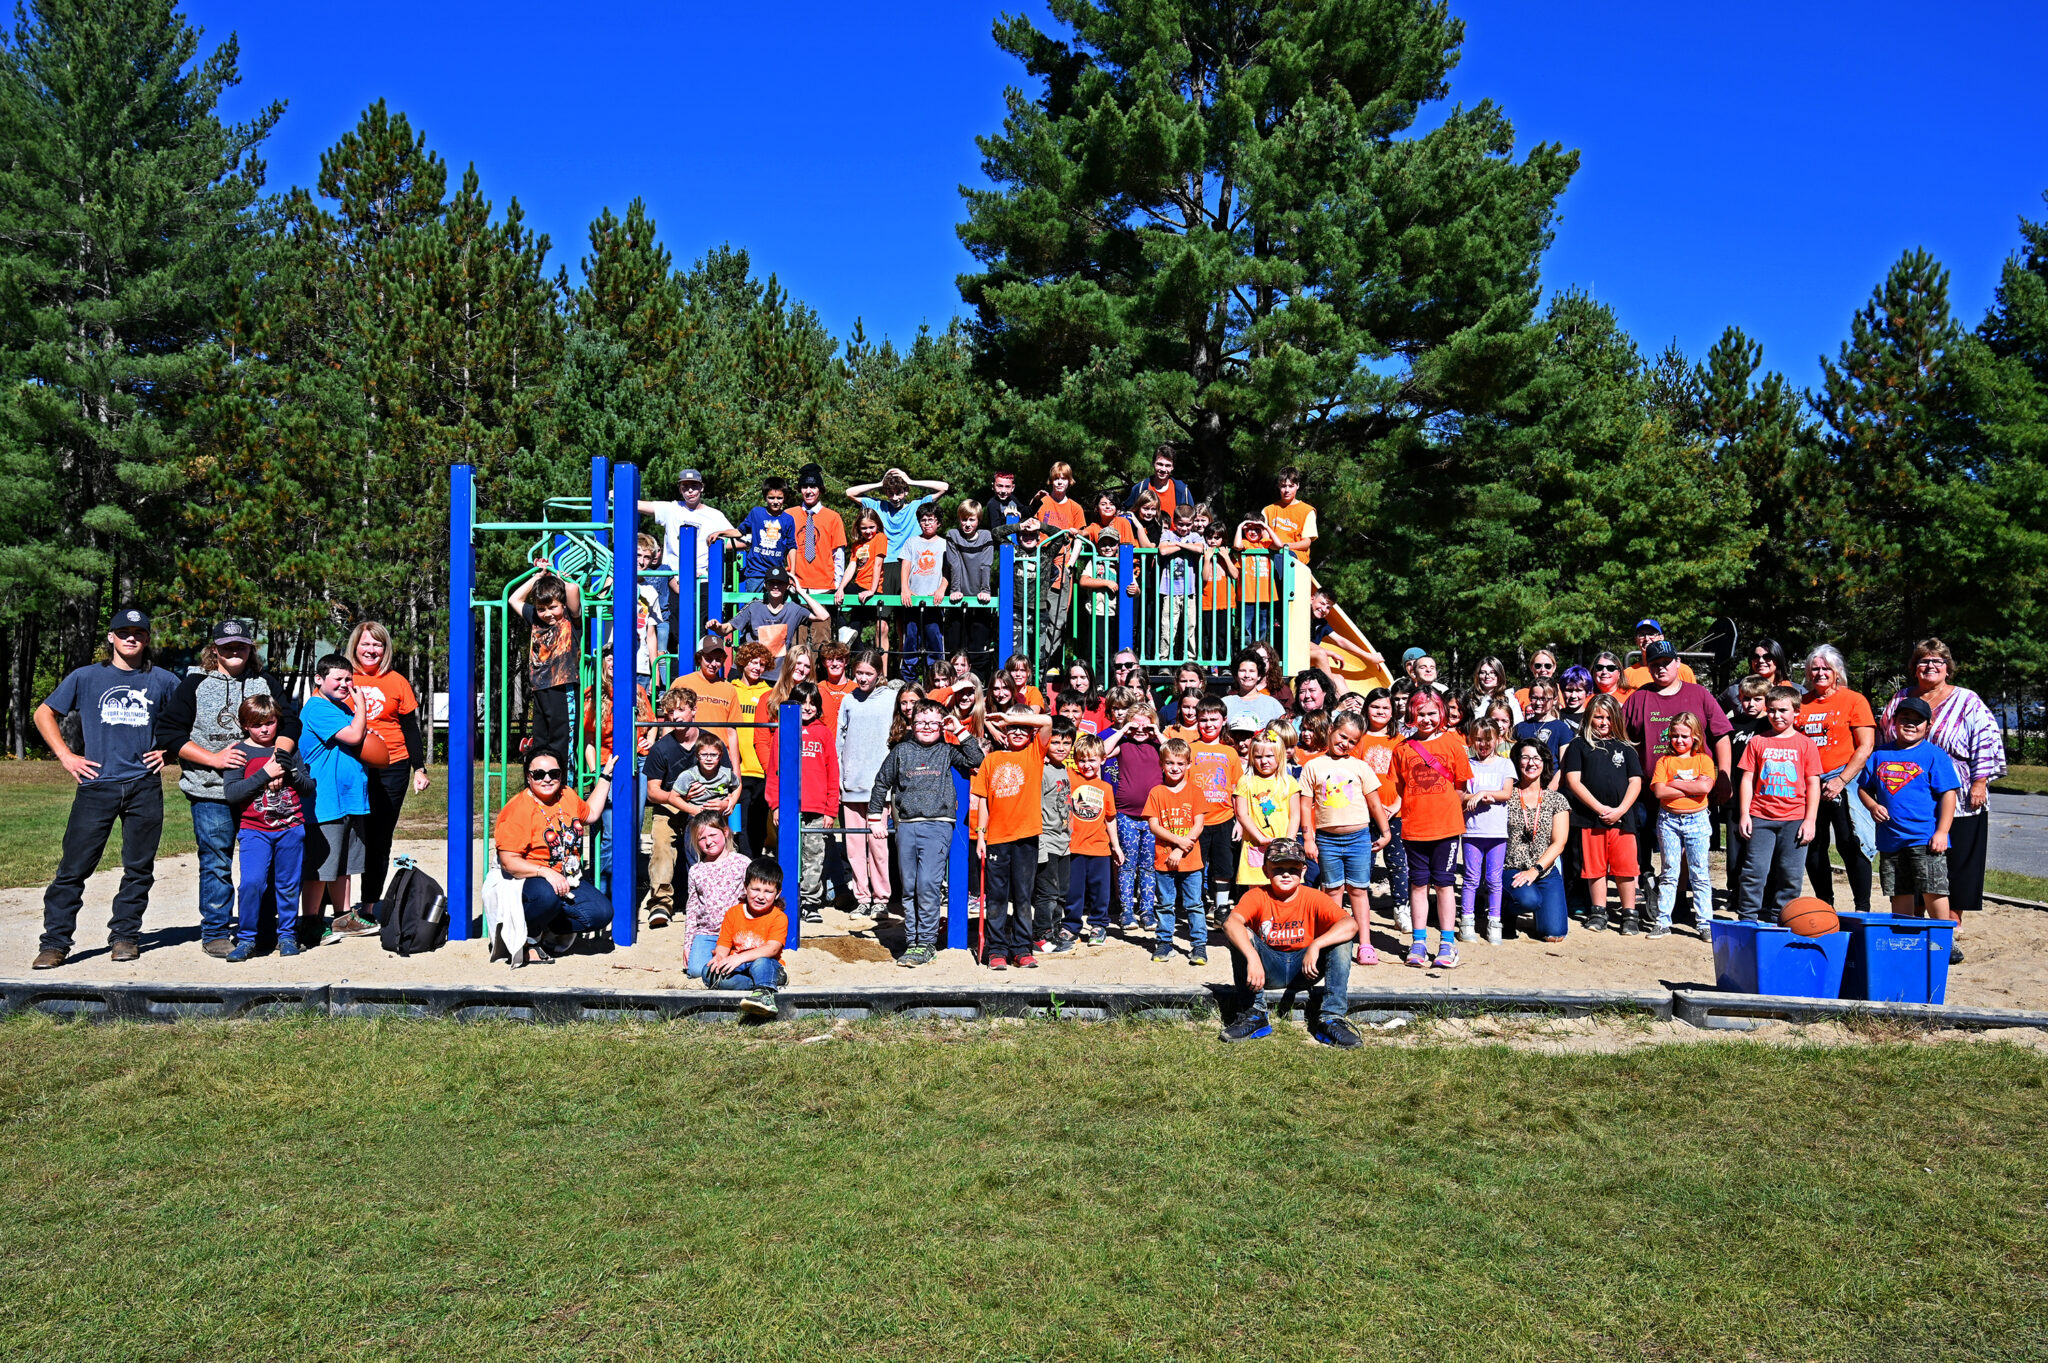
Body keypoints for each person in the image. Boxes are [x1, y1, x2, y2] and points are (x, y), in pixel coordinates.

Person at [32, 608, 181, 970]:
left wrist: (168, 749)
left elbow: (182, 722)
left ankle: (125, 937)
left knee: (138, 867)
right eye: (124, 632)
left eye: (139, 633)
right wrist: (66, 756)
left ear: (146, 640)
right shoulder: (86, 677)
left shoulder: (163, 680)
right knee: (73, 868)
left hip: (144, 786)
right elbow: (43, 713)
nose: (132, 638)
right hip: (97, 785)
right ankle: (55, 943)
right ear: (111, 637)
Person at [156, 617, 302, 958]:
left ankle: (264, 930)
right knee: (217, 861)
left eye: (241, 645)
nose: (234, 650)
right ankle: (216, 932)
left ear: (250, 648)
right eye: (226, 646)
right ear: (215, 649)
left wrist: (278, 761)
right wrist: (213, 759)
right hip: (211, 790)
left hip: (264, 791)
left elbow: (291, 721)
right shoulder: (194, 683)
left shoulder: (265, 682)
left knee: (265, 864)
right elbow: (170, 733)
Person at [1878, 639, 2003, 917]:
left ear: (1948, 668)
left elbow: (1986, 740)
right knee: (1914, 859)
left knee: (1955, 861)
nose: (1930, 666)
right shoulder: (1899, 700)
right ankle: (1915, 920)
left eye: (1938, 661)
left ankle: (1951, 923)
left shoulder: (1967, 700)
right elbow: (1885, 741)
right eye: (1923, 661)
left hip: (1958, 791)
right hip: (1909, 793)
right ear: (1914, 668)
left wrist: (1980, 782)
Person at [868, 696, 986, 965]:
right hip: (907, 825)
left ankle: (927, 942)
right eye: (921, 721)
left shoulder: (947, 750)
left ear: (942, 725)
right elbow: (880, 783)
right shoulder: (901, 752)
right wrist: (875, 817)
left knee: (928, 885)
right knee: (909, 887)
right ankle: (913, 940)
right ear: (911, 723)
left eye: (934, 722)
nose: (927, 727)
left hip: (937, 825)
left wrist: (959, 730)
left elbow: (976, 758)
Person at [1218, 839, 1360, 1047]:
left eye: (1293, 869)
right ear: (1266, 870)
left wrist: (1317, 944)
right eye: (1278, 869)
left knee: (1342, 940)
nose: (1286, 874)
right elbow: (1231, 923)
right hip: (1267, 970)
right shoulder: (1256, 895)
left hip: (1305, 969)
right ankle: (1254, 1013)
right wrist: (1252, 956)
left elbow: (1351, 924)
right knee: (1240, 933)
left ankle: (1331, 1018)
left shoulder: (1314, 897)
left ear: (1303, 872)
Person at [494, 745, 616, 965]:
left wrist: (605, 776)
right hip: (527, 879)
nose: (547, 779)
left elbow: (591, 813)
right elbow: (509, 862)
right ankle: (529, 939)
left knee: (601, 913)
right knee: (546, 896)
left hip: (566, 877)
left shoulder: (566, 795)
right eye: (539, 774)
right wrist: (545, 872)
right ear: (528, 777)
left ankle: (548, 927)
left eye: (554, 773)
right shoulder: (518, 809)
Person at [1860, 697, 1965, 952]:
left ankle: (1944, 941)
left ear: (1927, 727)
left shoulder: (1933, 755)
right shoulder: (1880, 754)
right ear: (1894, 722)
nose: (1910, 725)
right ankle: (1906, 938)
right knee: (1899, 890)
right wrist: (1873, 806)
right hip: (1891, 840)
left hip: (1925, 837)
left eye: (1917, 721)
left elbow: (1949, 794)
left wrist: (1942, 832)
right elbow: (1863, 787)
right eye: (1905, 719)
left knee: (1933, 889)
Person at [219, 694, 316, 962]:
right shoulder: (239, 751)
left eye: (270, 723)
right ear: (245, 725)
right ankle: (247, 938)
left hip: (291, 828)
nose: (264, 729)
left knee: (287, 884)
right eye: (256, 724)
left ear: (277, 722)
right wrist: (266, 774)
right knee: (251, 883)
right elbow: (232, 793)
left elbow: (309, 788)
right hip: (254, 830)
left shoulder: (288, 750)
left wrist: (291, 773)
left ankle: (286, 935)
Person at [1302, 711, 1394, 965]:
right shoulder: (1313, 766)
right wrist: (1308, 838)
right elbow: (1305, 805)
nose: (1346, 743)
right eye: (1343, 736)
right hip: (1327, 841)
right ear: (1331, 729)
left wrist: (1386, 832)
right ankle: (1335, 942)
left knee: (1358, 891)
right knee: (1332, 891)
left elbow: (1375, 804)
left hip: (1359, 839)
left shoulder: (1360, 767)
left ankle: (1365, 943)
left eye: (1353, 741)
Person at [296, 654, 376, 941]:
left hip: (349, 798)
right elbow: (355, 736)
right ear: (319, 679)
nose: (345, 684)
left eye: (348, 679)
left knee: (346, 863)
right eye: (338, 679)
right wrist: (362, 706)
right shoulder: (318, 707)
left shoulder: (340, 707)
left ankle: (343, 917)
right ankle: (311, 921)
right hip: (325, 799)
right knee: (322, 864)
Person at [1389, 692, 1471, 967]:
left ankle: (1448, 942)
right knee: (1418, 884)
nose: (1426, 719)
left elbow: (1461, 786)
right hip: (1413, 828)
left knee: (1445, 884)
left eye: (1431, 713)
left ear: (1441, 714)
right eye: (1420, 714)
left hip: (1446, 828)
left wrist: (1446, 811)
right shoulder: (1402, 749)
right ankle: (1419, 941)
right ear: (1411, 715)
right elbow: (1401, 788)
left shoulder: (1454, 744)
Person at [1798, 644, 1878, 917]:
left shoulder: (1854, 700)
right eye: (1815, 668)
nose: (1820, 673)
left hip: (1844, 779)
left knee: (1850, 842)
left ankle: (1862, 908)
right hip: (1809, 783)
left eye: (1826, 668)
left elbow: (1865, 746)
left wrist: (1841, 780)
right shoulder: (1802, 702)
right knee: (1813, 844)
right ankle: (1826, 905)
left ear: (1837, 672)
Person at [970, 706, 1052, 968]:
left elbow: (1047, 720)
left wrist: (1011, 718)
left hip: (1026, 837)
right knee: (996, 897)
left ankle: (1021, 947)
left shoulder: (1035, 753)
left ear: (1031, 733)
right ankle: (996, 949)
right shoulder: (991, 760)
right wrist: (981, 836)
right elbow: (983, 801)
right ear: (1003, 732)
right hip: (996, 838)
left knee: (1023, 896)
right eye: (1012, 728)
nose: (1017, 732)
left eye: (1024, 729)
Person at [1736, 684, 1822, 923]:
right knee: (1754, 872)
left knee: (1791, 875)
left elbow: (1813, 783)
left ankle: (1781, 918)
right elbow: (1747, 779)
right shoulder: (1757, 742)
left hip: (1794, 819)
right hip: (1761, 817)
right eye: (1772, 710)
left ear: (1796, 712)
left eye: (1783, 710)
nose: (1777, 716)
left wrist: (1810, 820)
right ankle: (1747, 918)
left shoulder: (1806, 744)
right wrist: (1745, 814)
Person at [1562, 695, 1643, 934]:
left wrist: (1620, 809)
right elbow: (1573, 781)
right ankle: (1598, 911)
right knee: (1594, 868)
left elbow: (1635, 781)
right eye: (1598, 716)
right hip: (1590, 818)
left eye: (1608, 717)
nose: (1603, 722)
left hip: (1623, 819)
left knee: (1626, 868)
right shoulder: (1579, 745)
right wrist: (1599, 808)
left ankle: (1629, 914)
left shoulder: (1626, 747)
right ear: (1589, 718)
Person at [760, 681, 839, 922]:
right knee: (787, 854)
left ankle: (810, 902)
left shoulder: (823, 733)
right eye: (802, 702)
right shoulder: (784, 730)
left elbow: (832, 773)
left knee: (814, 856)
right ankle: (786, 900)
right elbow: (774, 771)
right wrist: (775, 804)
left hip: (817, 808)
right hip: (788, 807)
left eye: (812, 703)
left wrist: (830, 810)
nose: (807, 707)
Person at [835, 651, 901, 921]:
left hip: (879, 787)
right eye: (859, 673)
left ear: (878, 674)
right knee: (854, 846)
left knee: (878, 845)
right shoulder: (849, 700)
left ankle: (881, 898)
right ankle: (862, 897)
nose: (862, 678)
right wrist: (841, 778)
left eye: (868, 674)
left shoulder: (890, 698)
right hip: (852, 784)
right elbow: (839, 741)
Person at [638, 467, 742, 625]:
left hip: (704, 579)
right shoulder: (671, 509)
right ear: (680, 489)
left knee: (704, 624)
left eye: (694, 486)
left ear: (701, 487)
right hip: (675, 579)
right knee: (674, 625)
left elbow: (739, 540)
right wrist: (617, 496)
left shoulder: (714, 515)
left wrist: (719, 540)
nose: (690, 491)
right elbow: (641, 505)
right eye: (685, 487)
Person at [1648, 712, 1717, 941]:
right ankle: (1662, 920)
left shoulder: (1703, 760)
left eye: (1684, 736)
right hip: (1669, 820)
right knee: (1670, 871)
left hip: (1696, 819)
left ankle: (1705, 922)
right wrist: (1691, 786)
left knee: (1700, 873)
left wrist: (1675, 783)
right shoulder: (1664, 761)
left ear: (1695, 737)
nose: (1679, 740)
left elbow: (1705, 788)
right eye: (1675, 735)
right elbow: (1659, 791)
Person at [508, 562, 583, 773]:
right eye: (542, 609)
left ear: (563, 605)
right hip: (539, 688)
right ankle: (539, 784)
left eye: (553, 607)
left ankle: (563, 787)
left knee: (562, 742)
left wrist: (558, 575)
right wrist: (537, 577)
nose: (548, 613)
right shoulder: (535, 618)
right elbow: (514, 598)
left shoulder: (570, 618)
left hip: (563, 687)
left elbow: (572, 589)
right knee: (540, 741)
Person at [1144, 737, 1209, 965]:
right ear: (1162, 764)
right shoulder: (1157, 792)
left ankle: (1199, 946)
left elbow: (1198, 825)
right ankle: (1164, 943)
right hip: (1164, 859)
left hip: (1191, 862)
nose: (1175, 768)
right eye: (1170, 763)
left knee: (1194, 904)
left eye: (1180, 764)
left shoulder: (1195, 791)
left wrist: (1180, 850)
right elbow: (1154, 826)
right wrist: (1177, 843)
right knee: (1164, 904)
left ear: (1189, 765)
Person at [1503, 739, 1573, 943]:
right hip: (1510, 867)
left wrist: (1535, 870)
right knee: (1528, 901)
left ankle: (1536, 903)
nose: (1531, 763)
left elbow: (1559, 843)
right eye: (1525, 757)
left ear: (1544, 763)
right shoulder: (1506, 795)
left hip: (1544, 870)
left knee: (1555, 933)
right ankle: (1505, 909)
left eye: (1536, 758)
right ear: (1517, 761)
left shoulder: (1556, 799)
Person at [1103, 704, 1164, 932]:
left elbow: (1176, 751)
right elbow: (1101, 752)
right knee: (1126, 865)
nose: (1140, 730)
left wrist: (1155, 731)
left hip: (1152, 817)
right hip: (1126, 814)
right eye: (1135, 725)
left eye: (1144, 725)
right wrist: (1123, 730)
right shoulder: (1124, 744)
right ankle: (1127, 910)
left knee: (1148, 866)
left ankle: (1147, 911)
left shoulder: (1158, 745)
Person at [704, 858, 791, 1017]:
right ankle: (760, 986)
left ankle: (764, 995)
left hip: (766, 963)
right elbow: (724, 943)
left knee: (761, 964)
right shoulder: (734, 913)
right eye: (755, 889)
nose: (761, 896)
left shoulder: (779, 917)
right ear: (745, 887)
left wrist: (739, 958)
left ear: (777, 893)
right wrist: (720, 956)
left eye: (768, 891)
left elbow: (772, 948)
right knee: (708, 972)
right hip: (740, 967)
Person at [846, 467, 950, 595]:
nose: (895, 498)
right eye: (891, 493)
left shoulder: (917, 506)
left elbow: (944, 487)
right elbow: (850, 492)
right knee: (883, 609)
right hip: (886, 563)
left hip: (910, 564)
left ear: (906, 491)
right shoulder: (879, 506)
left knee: (904, 609)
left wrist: (910, 481)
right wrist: (880, 483)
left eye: (899, 492)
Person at [1185, 700, 1243, 919]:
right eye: (1203, 720)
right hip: (1196, 820)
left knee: (1223, 867)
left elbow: (1237, 789)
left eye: (1213, 720)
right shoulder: (1190, 748)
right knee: (1195, 867)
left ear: (1224, 720)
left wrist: (1238, 820)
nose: (1208, 724)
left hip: (1224, 818)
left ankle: (1221, 908)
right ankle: (1196, 907)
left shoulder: (1230, 753)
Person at [1062, 732, 1121, 946]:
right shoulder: (1070, 776)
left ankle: (1098, 925)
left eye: (1092, 760)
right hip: (1074, 847)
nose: (1087, 765)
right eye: (1082, 760)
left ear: (1102, 760)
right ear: (1076, 761)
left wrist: (1116, 846)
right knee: (1074, 891)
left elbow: (1110, 818)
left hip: (1099, 848)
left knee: (1100, 891)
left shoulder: (1105, 788)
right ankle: (1070, 925)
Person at [718, 568, 828, 681]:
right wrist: (717, 627)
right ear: (765, 585)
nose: (775, 586)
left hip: (774, 677)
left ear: (787, 586)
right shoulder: (754, 606)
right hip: (746, 674)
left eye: (780, 583)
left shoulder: (794, 610)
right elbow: (726, 629)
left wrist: (800, 591)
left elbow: (823, 615)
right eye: (772, 583)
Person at [1461, 716, 1514, 945]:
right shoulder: (1467, 764)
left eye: (1488, 740)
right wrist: (1474, 796)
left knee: (1494, 880)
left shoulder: (1505, 764)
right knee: (1471, 878)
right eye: (1478, 740)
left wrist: (1482, 794)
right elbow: (1461, 794)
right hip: (1472, 832)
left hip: (1496, 833)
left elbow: (1506, 793)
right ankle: (1466, 922)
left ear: (1498, 739)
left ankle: (1494, 921)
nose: (1483, 745)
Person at [680, 811, 750, 979]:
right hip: (707, 933)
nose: (708, 842)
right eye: (702, 838)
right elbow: (692, 908)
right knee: (695, 970)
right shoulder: (696, 870)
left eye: (712, 835)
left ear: (725, 832)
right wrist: (688, 944)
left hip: (737, 932)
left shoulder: (742, 863)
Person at [1722, 675, 1772, 905]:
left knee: (1760, 849)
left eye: (1757, 699)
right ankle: (1735, 890)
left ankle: (1763, 894)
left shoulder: (1771, 726)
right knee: (1735, 852)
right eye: (1746, 699)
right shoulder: (1731, 726)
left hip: (1764, 797)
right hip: (1735, 795)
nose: (1751, 704)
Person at [787, 465, 847, 650]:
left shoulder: (833, 517)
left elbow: (838, 554)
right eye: (805, 487)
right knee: (798, 642)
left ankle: (820, 679)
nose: (809, 491)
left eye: (813, 487)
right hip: (796, 588)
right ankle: (797, 679)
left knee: (822, 642)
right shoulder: (789, 515)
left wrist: (837, 584)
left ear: (820, 490)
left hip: (824, 588)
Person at [1234, 730, 1301, 891]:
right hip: (1256, 845)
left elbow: (1295, 816)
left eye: (1269, 756)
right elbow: (1241, 814)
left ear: (1279, 756)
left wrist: (1288, 842)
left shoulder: (1288, 782)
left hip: (1284, 847)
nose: (1264, 761)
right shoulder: (1246, 781)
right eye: (1258, 757)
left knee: (1283, 888)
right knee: (1257, 891)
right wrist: (1260, 837)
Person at [1033, 718, 1077, 953]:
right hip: (1046, 840)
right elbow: (1036, 808)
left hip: (1063, 841)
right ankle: (1042, 935)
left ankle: (1055, 929)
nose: (1061, 747)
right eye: (1056, 742)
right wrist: (1039, 843)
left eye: (1066, 742)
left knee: (1061, 892)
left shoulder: (1063, 769)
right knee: (1047, 893)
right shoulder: (1043, 770)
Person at [727, 643, 775, 854]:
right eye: (753, 662)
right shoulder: (731, 690)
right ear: (743, 662)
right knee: (738, 825)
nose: (757, 667)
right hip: (737, 768)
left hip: (761, 768)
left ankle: (753, 867)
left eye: (762, 664)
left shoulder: (769, 692)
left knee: (757, 826)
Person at [899, 502, 950, 683]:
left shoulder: (945, 544)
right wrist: (905, 588)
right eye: (923, 520)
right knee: (911, 639)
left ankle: (936, 680)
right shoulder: (912, 542)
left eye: (931, 520)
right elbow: (906, 565)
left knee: (934, 640)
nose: (927, 523)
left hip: (934, 601)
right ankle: (909, 681)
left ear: (938, 523)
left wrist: (941, 589)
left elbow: (948, 570)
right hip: (912, 600)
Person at [943, 500, 997, 669]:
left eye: (971, 520)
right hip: (959, 596)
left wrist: (985, 590)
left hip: (979, 597)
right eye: (964, 519)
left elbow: (985, 564)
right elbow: (955, 564)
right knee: (955, 644)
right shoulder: (953, 535)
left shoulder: (986, 536)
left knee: (978, 644)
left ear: (978, 520)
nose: (967, 524)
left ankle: (979, 682)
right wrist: (955, 590)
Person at [836, 507, 892, 666]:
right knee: (853, 631)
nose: (868, 531)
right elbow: (851, 567)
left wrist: (872, 590)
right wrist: (840, 588)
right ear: (858, 528)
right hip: (859, 585)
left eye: (871, 527)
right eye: (864, 528)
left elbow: (878, 564)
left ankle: (861, 659)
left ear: (877, 526)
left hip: (870, 588)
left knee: (855, 626)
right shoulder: (857, 545)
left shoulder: (880, 538)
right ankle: (862, 660)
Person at [734, 477, 796, 595]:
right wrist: (719, 533)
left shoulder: (788, 519)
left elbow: (792, 547)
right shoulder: (757, 513)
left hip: (776, 571)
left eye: (779, 498)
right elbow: (739, 531)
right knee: (753, 604)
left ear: (785, 498)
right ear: (765, 497)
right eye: (771, 498)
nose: (775, 501)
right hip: (755, 572)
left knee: (775, 607)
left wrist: (792, 573)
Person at [1157, 502, 1203, 661]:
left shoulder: (1195, 536)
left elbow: (1199, 548)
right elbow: (1163, 550)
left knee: (1190, 626)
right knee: (1168, 627)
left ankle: (1190, 658)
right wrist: (1182, 545)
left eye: (1188, 525)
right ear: (1174, 523)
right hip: (1169, 590)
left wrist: (1176, 545)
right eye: (1180, 524)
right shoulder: (1168, 535)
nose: (1184, 529)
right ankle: (1165, 659)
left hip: (1189, 590)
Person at [1512, 681, 1571, 780]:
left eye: (1544, 699)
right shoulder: (1520, 728)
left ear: (1555, 700)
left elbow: (1563, 767)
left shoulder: (1562, 728)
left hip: (1551, 785)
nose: (1539, 703)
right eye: (1534, 698)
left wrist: (1549, 792)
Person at [1621, 619, 1697, 691]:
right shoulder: (1628, 674)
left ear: (1661, 637)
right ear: (1636, 640)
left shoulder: (1683, 670)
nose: (1647, 638)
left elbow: (1694, 698)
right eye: (1641, 635)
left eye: (1651, 634)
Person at [1261, 468, 1316, 565]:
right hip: (1271, 554)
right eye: (1283, 486)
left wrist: (1285, 546)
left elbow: (1306, 543)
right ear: (1278, 486)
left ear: (1297, 486)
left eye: (1291, 486)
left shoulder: (1307, 511)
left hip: (1295, 557)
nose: (1287, 490)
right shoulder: (1267, 510)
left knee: (1281, 558)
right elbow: (1264, 538)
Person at [1722, 638, 1790, 717]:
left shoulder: (1794, 689)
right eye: (1755, 657)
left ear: (1778, 659)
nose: (1761, 660)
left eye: (1767, 656)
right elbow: (1711, 715)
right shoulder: (1735, 690)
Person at [1123, 444, 1191, 520]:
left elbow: (1191, 516)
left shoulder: (1181, 490)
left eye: (1167, 465)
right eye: (1160, 464)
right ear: (1153, 463)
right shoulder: (1140, 488)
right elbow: (1126, 512)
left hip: (1175, 531)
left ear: (1172, 467)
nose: (1163, 469)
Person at [1223, 650, 1285, 731]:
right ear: (1235, 675)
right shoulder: (1226, 703)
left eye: (1252, 671)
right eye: (1242, 671)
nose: (1247, 675)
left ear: (1259, 675)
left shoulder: (1273, 705)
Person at [1029, 462, 1088, 534]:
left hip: (1066, 545)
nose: (1060, 482)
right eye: (1056, 478)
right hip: (1042, 544)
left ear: (1069, 481)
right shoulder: (1041, 502)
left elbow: (1079, 537)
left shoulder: (1076, 508)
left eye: (1064, 479)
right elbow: (1028, 526)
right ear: (1051, 481)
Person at [1470, 657, 1521, 727]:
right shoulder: (1470, 699)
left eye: (1492, 673)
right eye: (1483, 672)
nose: (1487, 676)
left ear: (1500, 675)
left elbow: (1518, 725)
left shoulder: (1509, 699)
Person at [1514, 649, 1559, 716]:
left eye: (1547, 666)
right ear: (1531, 667)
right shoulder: (1520, 694)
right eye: (1538, 666)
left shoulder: (1563, 691)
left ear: (1554, 667)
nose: (1543, 670)